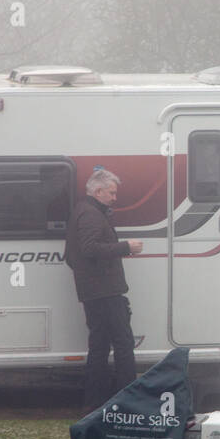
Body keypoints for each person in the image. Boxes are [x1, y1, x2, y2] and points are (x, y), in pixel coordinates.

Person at [65, 166, 143, 413]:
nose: (114, 197)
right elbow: (89, 249)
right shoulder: (90, 215)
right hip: (104, 292)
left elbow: (72, 256)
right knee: (122, 342)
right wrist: (124, 247)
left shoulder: (85, 211)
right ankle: (128, 400)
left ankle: (94, 400)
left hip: (95, 291)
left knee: (99, 345)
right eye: (111, 192)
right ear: (98, 191)